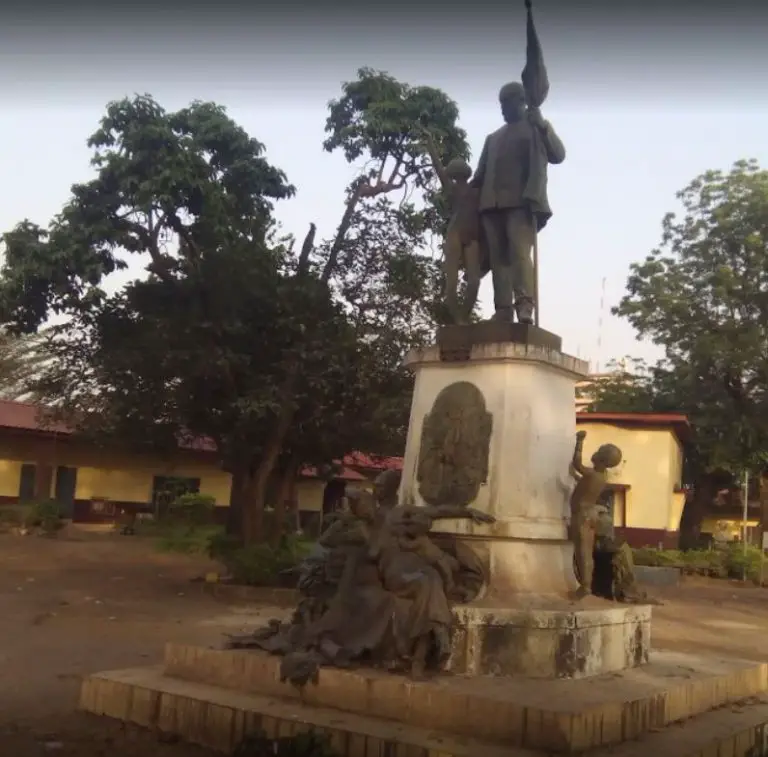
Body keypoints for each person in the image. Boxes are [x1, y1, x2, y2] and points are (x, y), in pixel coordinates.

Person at [471, 81, 565, 324]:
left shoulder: (535, 129)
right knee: (498, 259)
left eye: (507, 102)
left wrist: (542, 125)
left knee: (520, 254)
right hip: (490, 205)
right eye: (501, 103)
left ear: (520, 101)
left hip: (521, 202)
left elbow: (558, 155)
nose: (503, 108)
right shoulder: (492, 138)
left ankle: (524, 304)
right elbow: (479, 175)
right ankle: (503, 309)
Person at [421, 130, 483, 324]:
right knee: (452, 282)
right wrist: (430, 144)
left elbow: (486, 171)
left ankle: (463, 315)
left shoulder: (477, 189)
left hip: (472, 235)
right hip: (455, 233)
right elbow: (438, 168)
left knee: (474, 281)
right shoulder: (451, 188)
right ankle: (458, 318)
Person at [569, 430, 622, 599]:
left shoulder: (593, 474)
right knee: (586, 551)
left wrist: (579, 441)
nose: (595, 452)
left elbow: (577, 463)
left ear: (602, 458)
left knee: (582, 552)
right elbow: (585, 485)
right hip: (590, 515)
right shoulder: (600, 476)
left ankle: (585, 586)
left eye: (599, 451)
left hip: (582, 515)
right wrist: (575, 478)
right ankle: (586, 583)